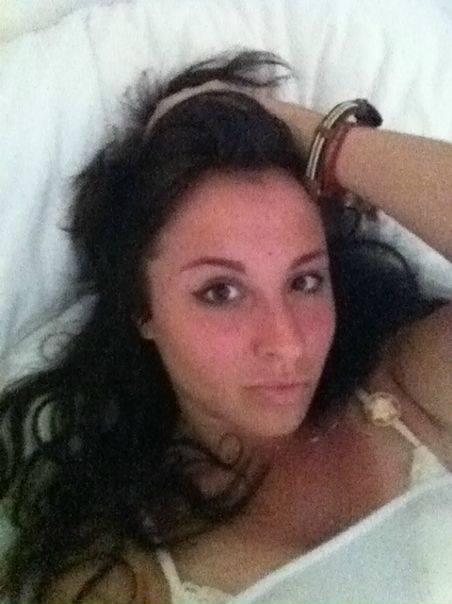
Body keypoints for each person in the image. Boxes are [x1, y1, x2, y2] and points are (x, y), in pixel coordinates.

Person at [0, 50, 451, 604]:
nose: (287, 342)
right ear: (142, 308)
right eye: (221, 292)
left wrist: (317, 138)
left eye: (304, 281)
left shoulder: (413, 394)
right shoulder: (117, 577)